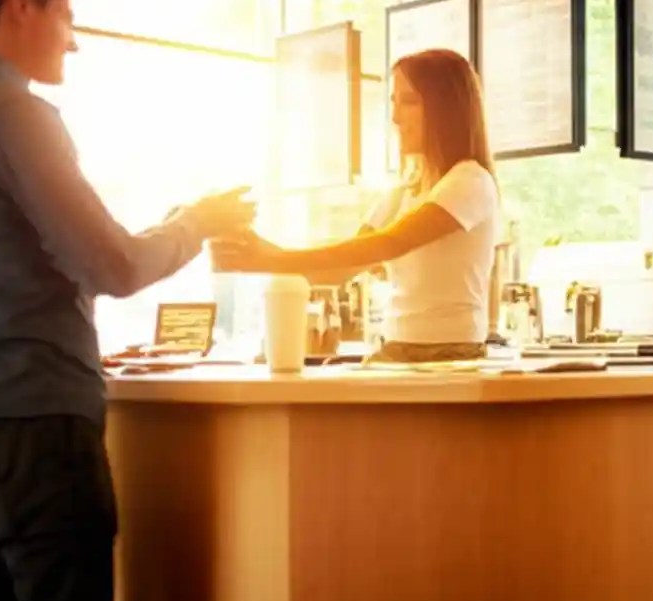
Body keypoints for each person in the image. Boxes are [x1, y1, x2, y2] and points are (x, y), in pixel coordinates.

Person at [0, 0, 256, 601]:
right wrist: (196, 224)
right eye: (66, 17)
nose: (73, 42)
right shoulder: (15, 115)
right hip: (37, 420)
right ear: (20, 4)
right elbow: (112, 265)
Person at [212, 48, 500, 364]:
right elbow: (342, 267)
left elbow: (388, 244)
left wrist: (268, 260)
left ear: (446, 109)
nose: (394, 117)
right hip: (397, 349)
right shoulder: (404, 189)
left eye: (409, 101)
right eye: (393, 101)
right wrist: (259, 248)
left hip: (451, 355)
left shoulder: (470, 181)